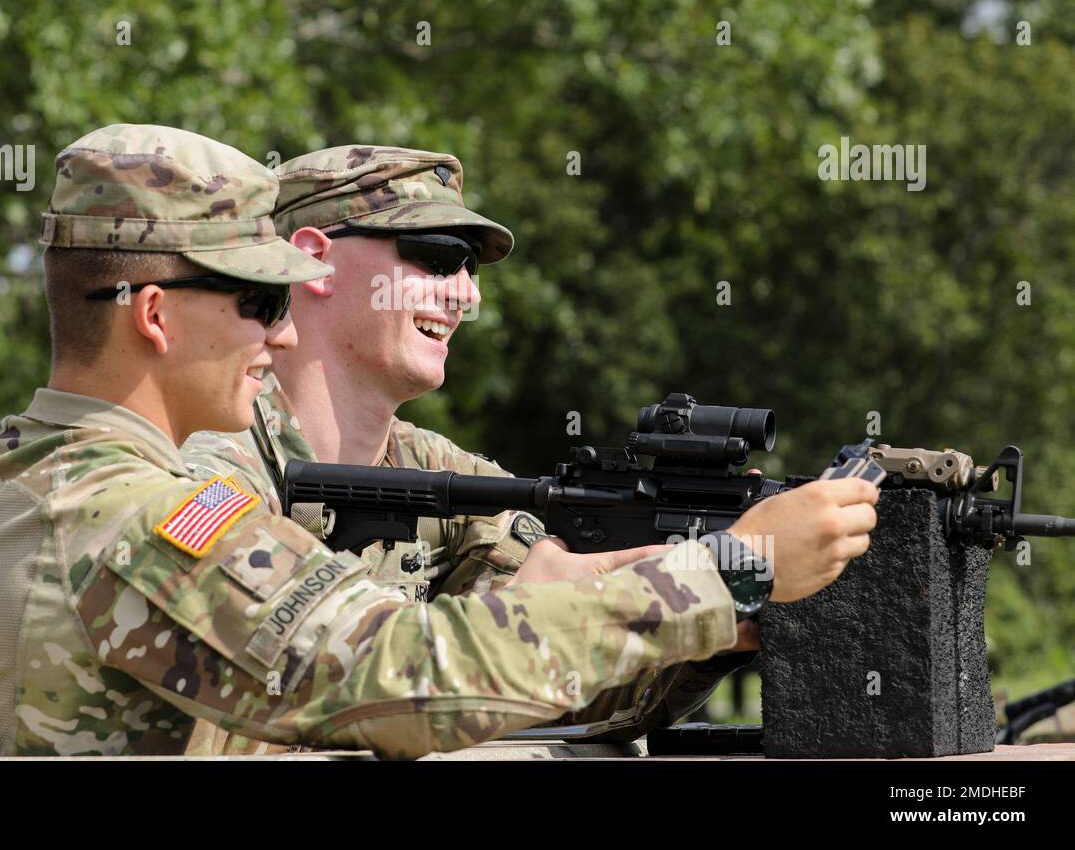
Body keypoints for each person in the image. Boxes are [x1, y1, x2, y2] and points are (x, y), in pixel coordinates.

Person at [0, 124, 877, 760]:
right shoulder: (147, 517)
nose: (281, 331)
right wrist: (730, 571)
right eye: (256, 301)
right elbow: (403, 677)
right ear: (152, 314)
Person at [177, 145, 866, 753]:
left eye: (471, 268)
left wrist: (714, 628)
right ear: (315, 260)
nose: (465, 294)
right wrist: (714, 577)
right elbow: (320, 694)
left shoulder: (444, 474)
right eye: (438, 256)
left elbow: (556, 698)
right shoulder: (208, 476)